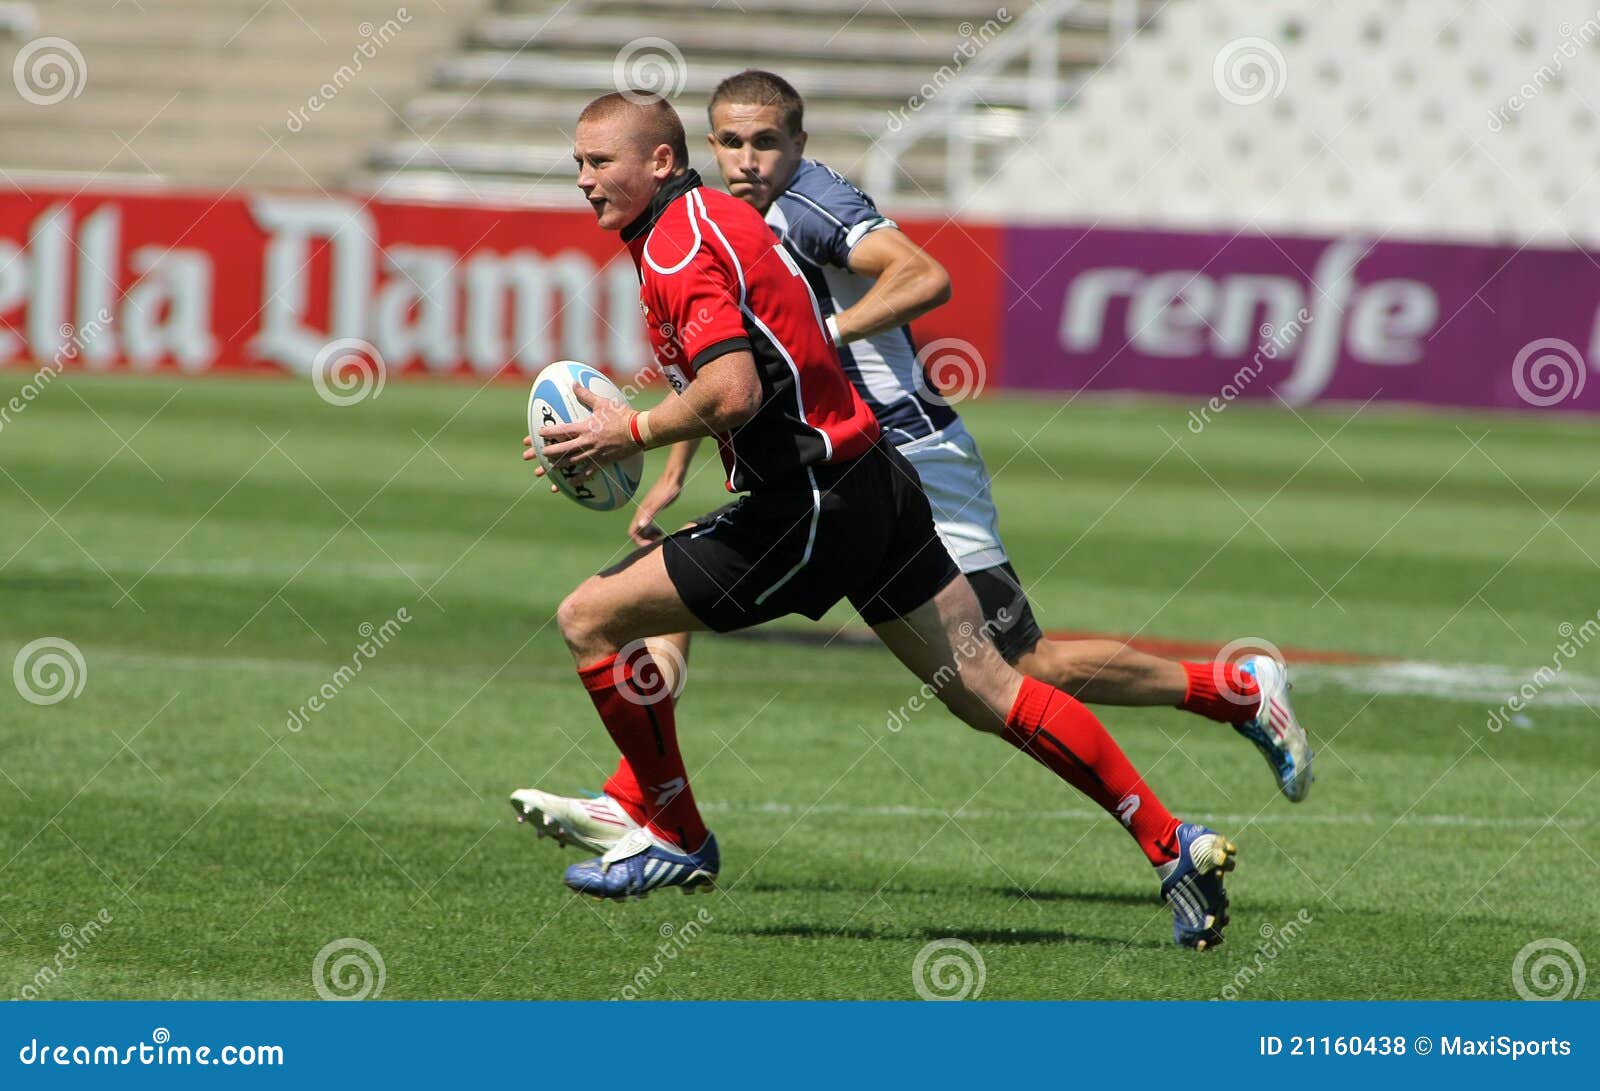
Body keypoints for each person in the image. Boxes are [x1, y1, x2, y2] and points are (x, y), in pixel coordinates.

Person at [512, 90, 1237, 950]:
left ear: (660, 163)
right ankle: (1173, 843)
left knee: (588, 618)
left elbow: (734, 392)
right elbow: (758, 361)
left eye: (599, 163)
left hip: (809, 501)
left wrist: (622, 432)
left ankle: (672, 830)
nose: (584, 180)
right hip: (875, 479)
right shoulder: (716, 217)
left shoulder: (676, 246)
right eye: (579, 165)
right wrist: (647, 443)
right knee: (991, 688)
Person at [626, 69, 1314, 802]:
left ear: (798, 143)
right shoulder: (721, 220)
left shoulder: (809, 204)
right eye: (732, 142)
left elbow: (924, 275)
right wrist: (674, 472)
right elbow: (726, 362)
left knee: (1020, 665)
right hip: (838, 470)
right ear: (709, 144)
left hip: (911, 456)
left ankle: (1234, 691)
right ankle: (645, 803)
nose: (748, 159)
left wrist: (827, 332)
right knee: (672, 583)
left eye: (767, 142)